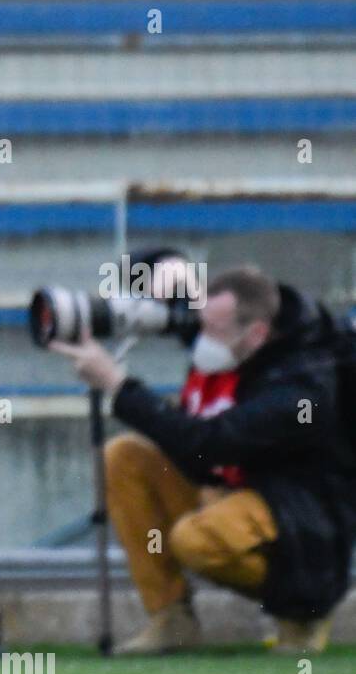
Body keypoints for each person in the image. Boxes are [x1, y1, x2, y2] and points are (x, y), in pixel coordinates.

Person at [50, 265, 356, 654]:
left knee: (195, 540)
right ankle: (171, 618)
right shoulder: (247, 325)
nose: (200, 339)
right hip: (229, 485)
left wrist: (117, 384)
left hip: (300, 518)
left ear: (257, 333)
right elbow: (160, 277)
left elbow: (209, 443)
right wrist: (166, 264)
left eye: (211, 331)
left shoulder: (304, 385)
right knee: (124, 457)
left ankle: (302, 611)